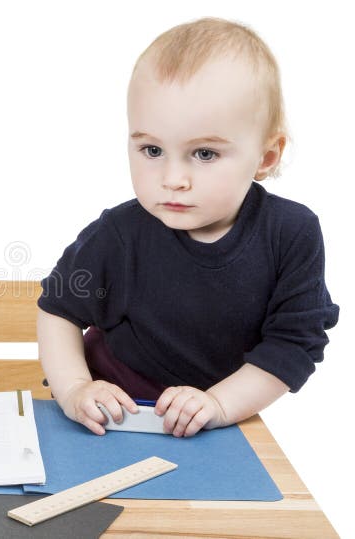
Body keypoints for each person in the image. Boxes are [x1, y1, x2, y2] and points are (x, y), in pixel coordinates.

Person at [37, 17, 339, 438]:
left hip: (216, 423)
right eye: (152, 149)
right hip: (109, 417)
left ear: (266, 157)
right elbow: (58, 311)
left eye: (205, 154)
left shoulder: (290, 234)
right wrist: (75, 389)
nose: (172, 178)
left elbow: (293, 344)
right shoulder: (120, 233)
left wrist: (218, 404)